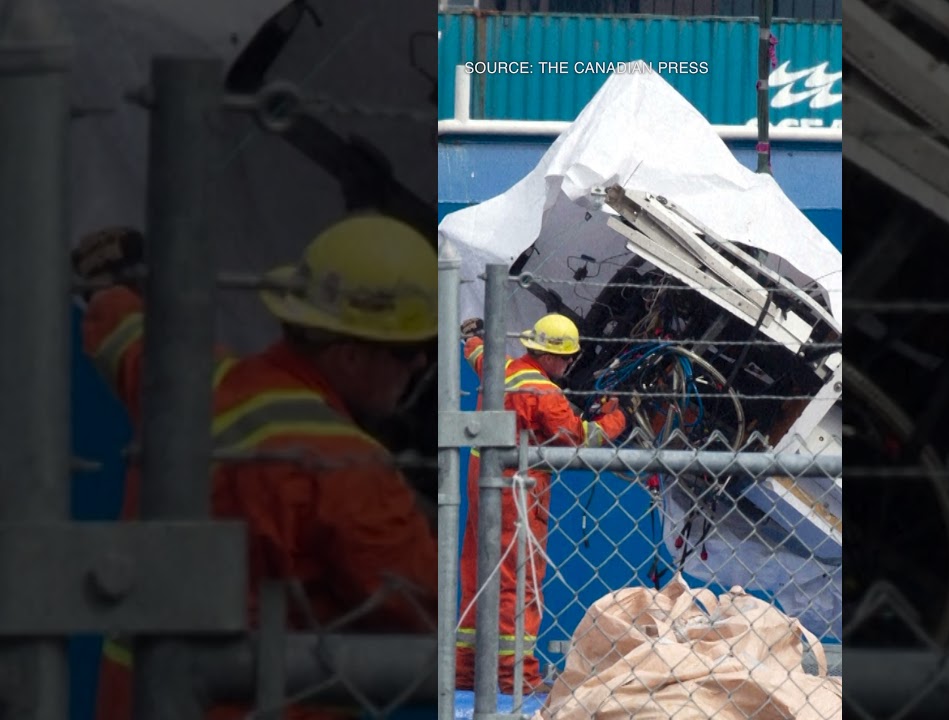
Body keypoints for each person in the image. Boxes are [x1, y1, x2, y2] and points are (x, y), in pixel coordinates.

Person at [74, 217, 439, 720]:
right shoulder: (349, 471)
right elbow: (437, 606)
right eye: (408, 351)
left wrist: (110, 284)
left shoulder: (188, 389)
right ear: (349, 353)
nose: (421, 364)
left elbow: (122, 329)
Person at [455, 312, 627, 693]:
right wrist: (616, 418)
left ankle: (464, 674)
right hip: (518, 490)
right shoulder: (544, 393)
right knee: (519, 584)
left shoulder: (500, 367)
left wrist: (471, 336)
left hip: (480, 479)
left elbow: (477, 351)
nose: (568, 365)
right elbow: (580, 439)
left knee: (476, 578)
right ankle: (517, 678)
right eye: (566, 358)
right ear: (549, 356)